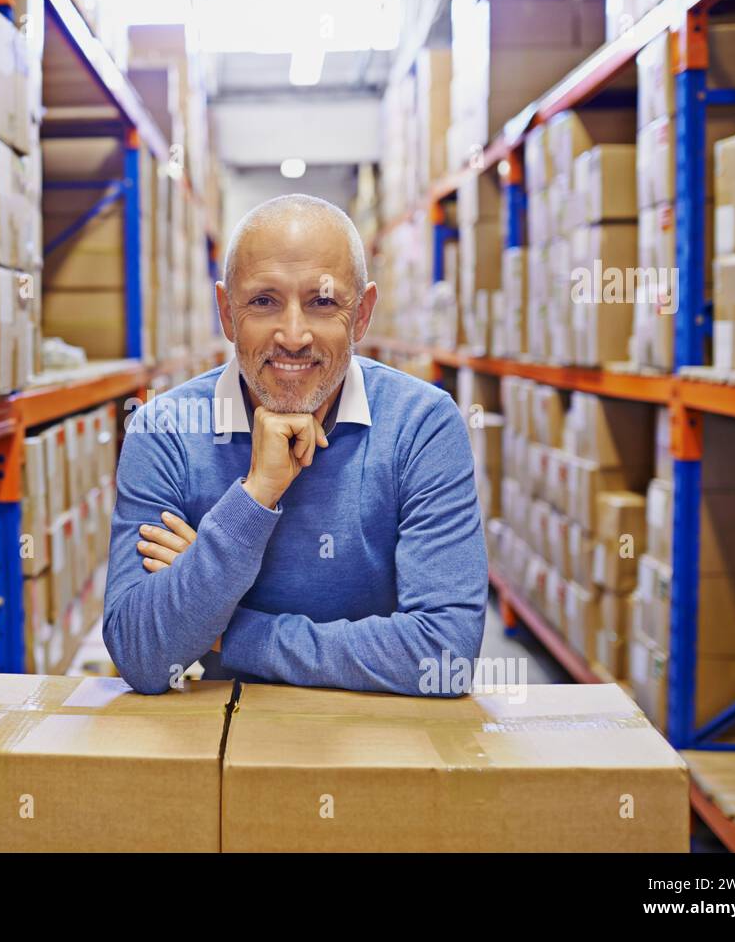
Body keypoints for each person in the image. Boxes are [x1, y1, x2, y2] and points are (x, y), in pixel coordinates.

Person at [102, 193, 486, 695]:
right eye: (263, 302)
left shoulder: (422, 425)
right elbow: (139, 651)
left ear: (363, 314)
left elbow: (445, 653)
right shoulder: (165, 430)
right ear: (226, 312)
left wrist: (225, 631)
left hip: (382, 747)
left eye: (322, 302)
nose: (293, 334)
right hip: (220, 743)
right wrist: (255, 495)